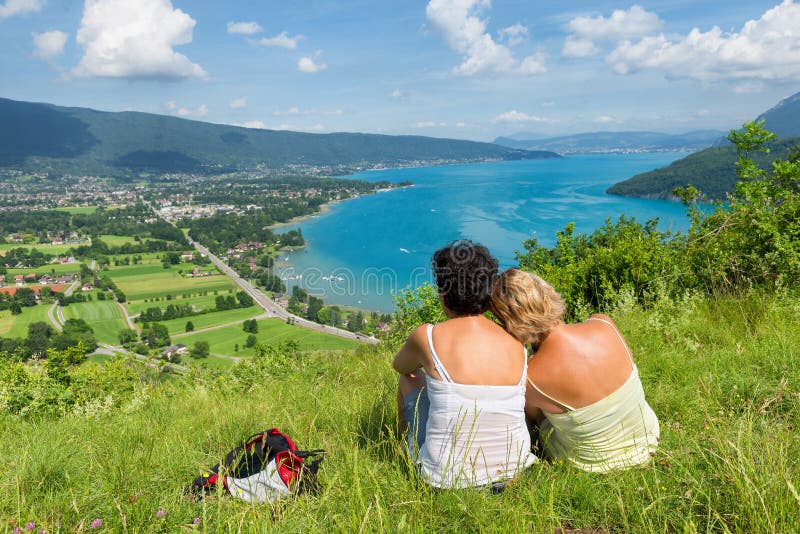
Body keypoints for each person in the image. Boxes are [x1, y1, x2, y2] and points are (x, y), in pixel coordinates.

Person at [393, 241, 537, 489]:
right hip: (513, 475)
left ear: (443, 293)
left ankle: (406, 446)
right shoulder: (516, 341)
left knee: (409, 378)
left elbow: (400, 366)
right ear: (488, 290)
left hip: (445, 480)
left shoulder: (427, 336)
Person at [490, 268, 659, 473]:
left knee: (528, 413)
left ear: (510, 322)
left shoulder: (532, 378)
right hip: (647, 438)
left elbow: (536, 422)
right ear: (547, 293)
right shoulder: (603, 323)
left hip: (593, 463)